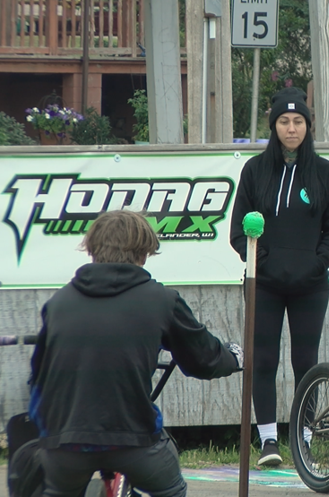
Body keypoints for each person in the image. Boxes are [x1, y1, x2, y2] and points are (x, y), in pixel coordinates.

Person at [28, 210, 244, 497]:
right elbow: (204, 360)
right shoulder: (161, 300)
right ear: (144, 253)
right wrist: (234, 357)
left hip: (64, 445)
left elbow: (38, 378)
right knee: (171, 490)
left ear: (92, 249)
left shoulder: (59, 303)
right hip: (135, 442)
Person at [229, 86, 329, 466]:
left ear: (308, 126)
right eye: (284, 121)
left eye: (298, 121)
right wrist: (263, 262)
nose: (291, 128)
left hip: (310, 286)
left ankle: (303, 439)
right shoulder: (255, 170)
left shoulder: (324, 172)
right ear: (273, 125)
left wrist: (317, 264)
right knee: (263, 360)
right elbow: (239, 231)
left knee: (305, 363)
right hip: (263, 283)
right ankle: (268, 442)